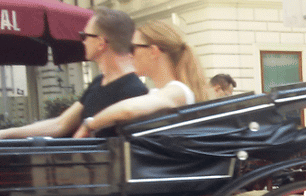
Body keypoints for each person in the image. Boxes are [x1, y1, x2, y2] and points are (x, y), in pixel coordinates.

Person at [0, 8, 148, 140]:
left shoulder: (134, 90)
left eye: (84, 36)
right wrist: (0, 134)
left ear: (101, 43)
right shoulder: (100, 81)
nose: (82, 41)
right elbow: (60, 124)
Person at [73, 19, 209, 137]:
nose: (130, 54)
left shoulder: (179, 90)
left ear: (153, 52)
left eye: (133, 48)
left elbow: (128, 110)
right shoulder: (160, 92)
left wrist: (89, 124)